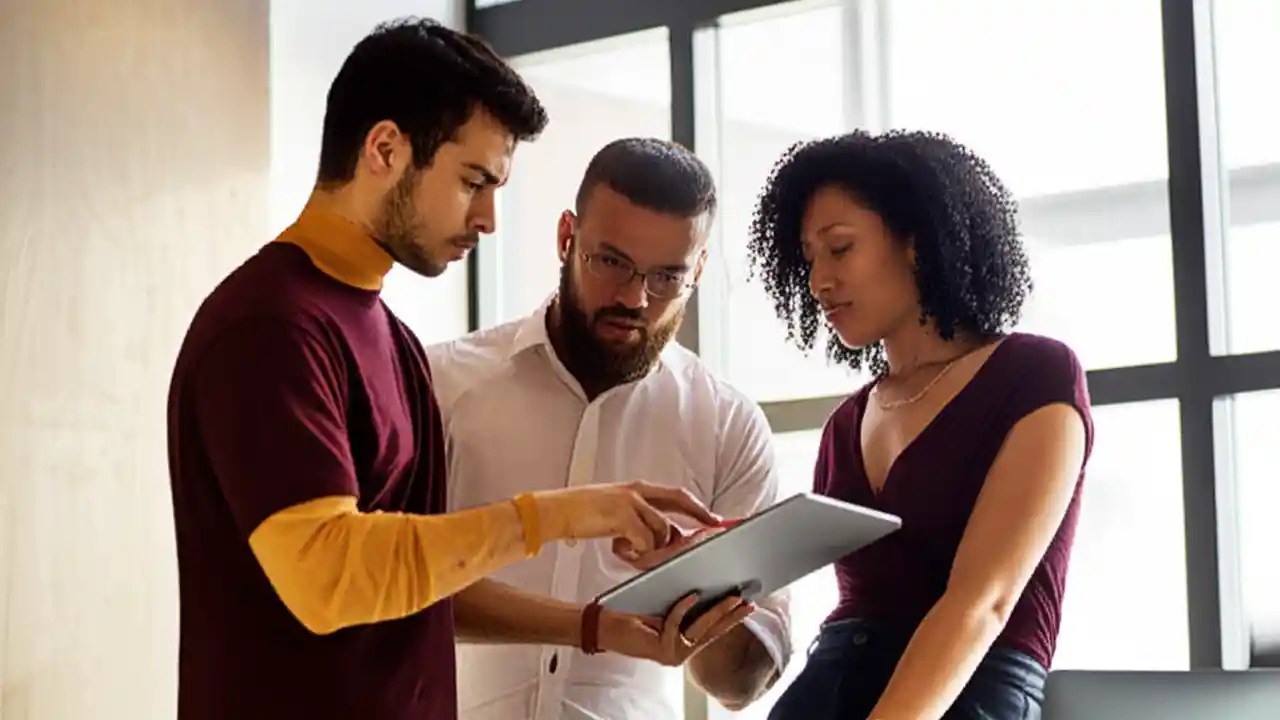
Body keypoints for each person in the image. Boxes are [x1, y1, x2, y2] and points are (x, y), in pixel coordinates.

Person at [166, 20, 720, 720]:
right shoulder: (269, 326)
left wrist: (595, 626)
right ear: (385, 149)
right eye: (473, 182)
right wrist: (556, 515)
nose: (489, 219)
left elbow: (416, 585)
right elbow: (328, 577)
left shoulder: (394, 342)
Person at [427, 137, 792, 720]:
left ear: (698, 270)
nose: (634, 298)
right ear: (566, 238)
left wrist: (699, 582)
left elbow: (738, 687)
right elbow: (389, 593)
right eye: (612, 262)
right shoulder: (442, 384)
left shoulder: (728, 425)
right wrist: (592, 625)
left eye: (667, 276)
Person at [744, 130, 1094, 720]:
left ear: (915, 241)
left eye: (840, 249)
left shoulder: (1033, 375)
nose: (819, 281)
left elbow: (983, 602)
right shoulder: (844, 426)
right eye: (808, 259)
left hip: (966, 696)